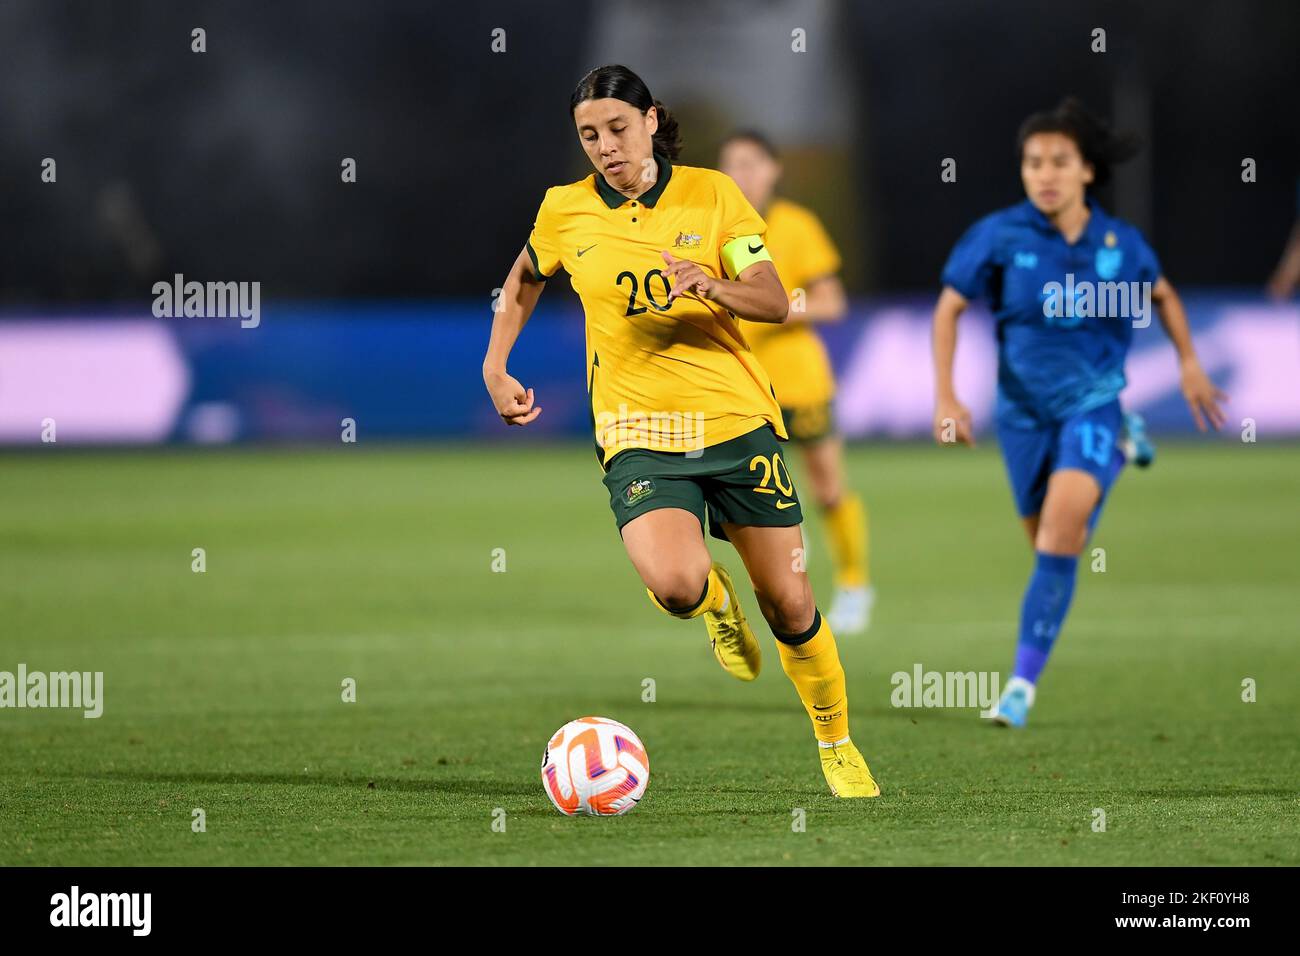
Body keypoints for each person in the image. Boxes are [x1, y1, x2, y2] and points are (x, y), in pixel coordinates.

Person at [483, 65, 880, 795]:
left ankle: (836, 743)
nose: (604, 146)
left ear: (654, 121)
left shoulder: (713, 194)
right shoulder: (564, 209)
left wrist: (711, 284)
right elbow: (524, 280)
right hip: (637, 427)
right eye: (589, 135)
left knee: (791, 604)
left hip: (736, 422)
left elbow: (769, 299)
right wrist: (495, 363)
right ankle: (713, 603)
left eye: (618, 128)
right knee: (672, 585)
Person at [931, 97, 1227, 727]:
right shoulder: (999, 235)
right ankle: (1124, 444)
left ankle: (1020, 687)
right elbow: (949, 308)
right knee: (1050, 543)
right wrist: (948, 395)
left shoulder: (1119, 243)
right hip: (1020, 417)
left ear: (1087, 171)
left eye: (1059, 162)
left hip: (1090, 406)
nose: (1044, 174)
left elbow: (1165, 295)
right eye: (1033, 162)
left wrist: (1190, 364)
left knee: (1062, 535)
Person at [718, 131, 874, 634]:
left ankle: (854, 585)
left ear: (773, 169)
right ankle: (782, 599)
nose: (741, 174)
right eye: (731, 165)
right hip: (740, 387)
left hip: (799, 382)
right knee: (757, 503)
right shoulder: (712, 227)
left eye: (751, 163)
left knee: (827, 489)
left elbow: (833, 302)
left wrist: (781, 308)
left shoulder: (796, 226)